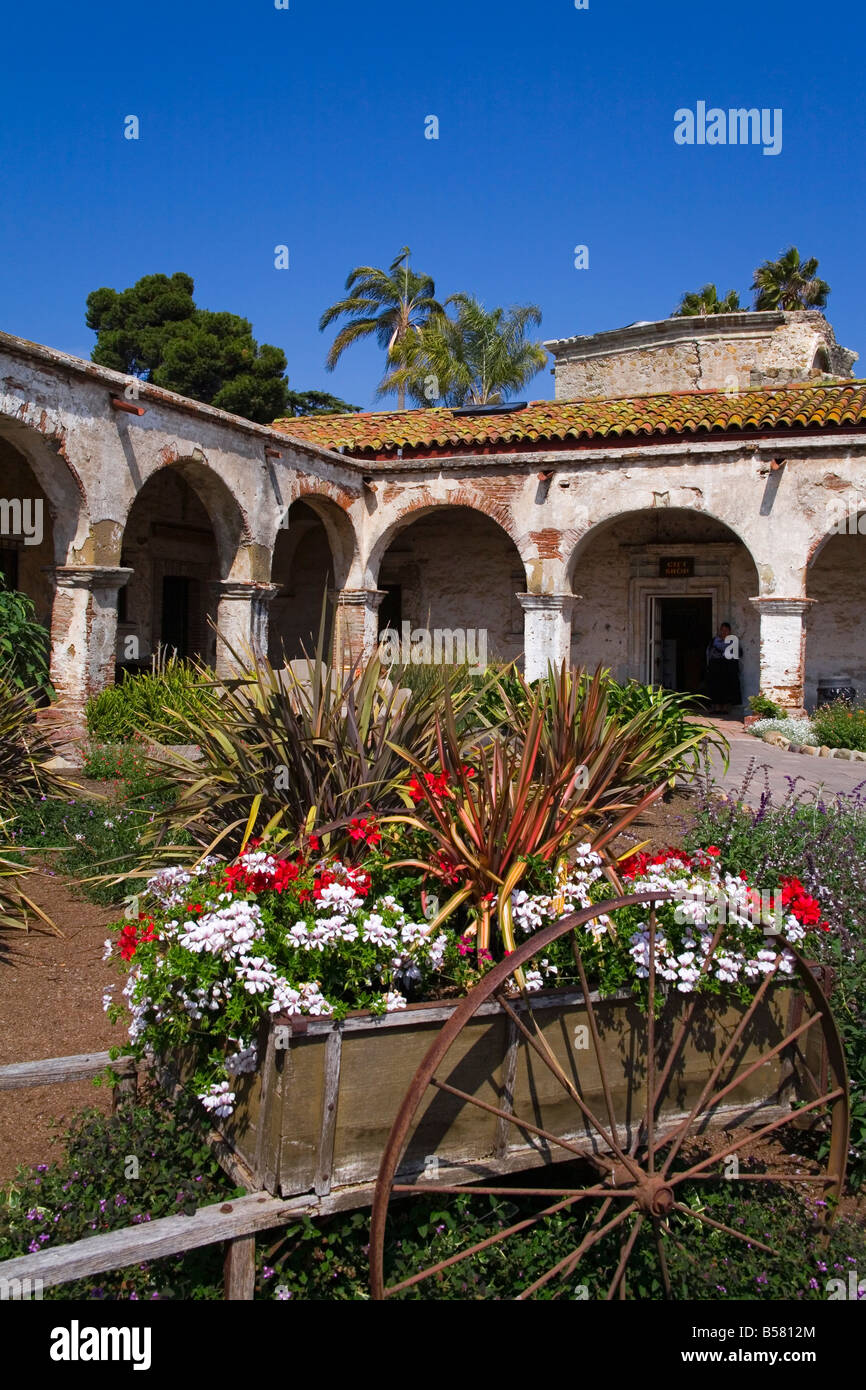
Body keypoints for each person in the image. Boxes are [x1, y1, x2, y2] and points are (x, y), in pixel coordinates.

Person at [706, 621, 742, 714]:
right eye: (722, 630)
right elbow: (709, 653)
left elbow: (739, 653)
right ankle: (717, 708)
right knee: (716, 687)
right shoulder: (714, 641)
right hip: (716, 668)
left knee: (727, 688)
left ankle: (725, 709)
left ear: (729, 631)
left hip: (728, 668)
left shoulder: (733, 641)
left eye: (726, 630)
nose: (724, 632)